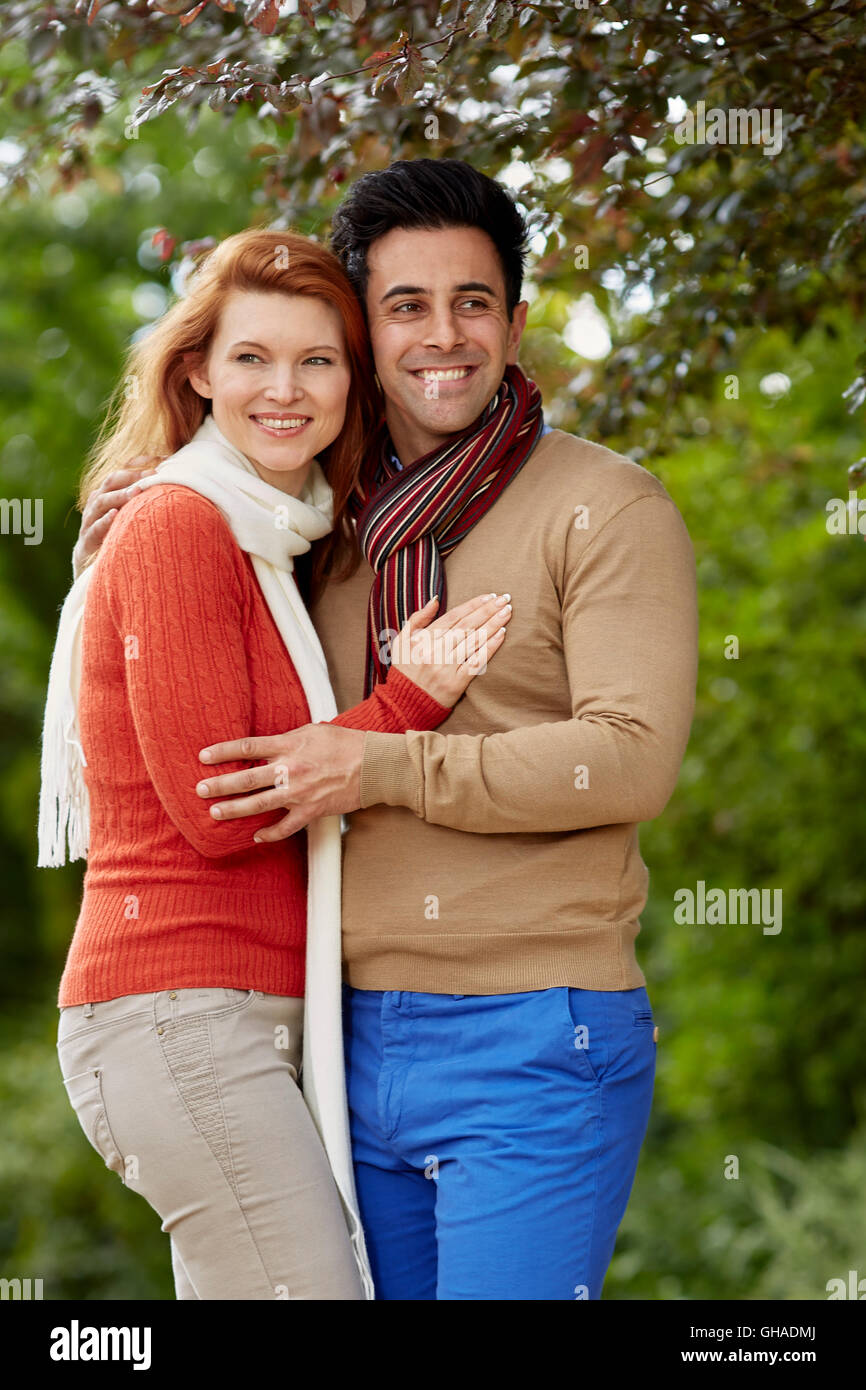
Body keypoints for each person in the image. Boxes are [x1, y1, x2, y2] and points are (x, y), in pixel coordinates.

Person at [75, 158, 699, 1301]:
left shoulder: (603, 504)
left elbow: (628, 757)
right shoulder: (313, 528)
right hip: (342, 1036)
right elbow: (198, 687)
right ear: (367, 331)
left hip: (534, 1030)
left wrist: (378, 763)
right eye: (405, 305)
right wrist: (134, 535)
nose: (442, 335)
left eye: (473, 302)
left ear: (514, 321)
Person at [39, 226, 513, 1300]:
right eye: (251, 358)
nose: (283, 390)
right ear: (198, 370)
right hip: (179, 1012)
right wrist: (411, 699)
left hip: (228, 1015)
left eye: (317, 360)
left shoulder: (269, 538)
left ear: (352, 382)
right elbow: (218, 808)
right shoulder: (183, 527)